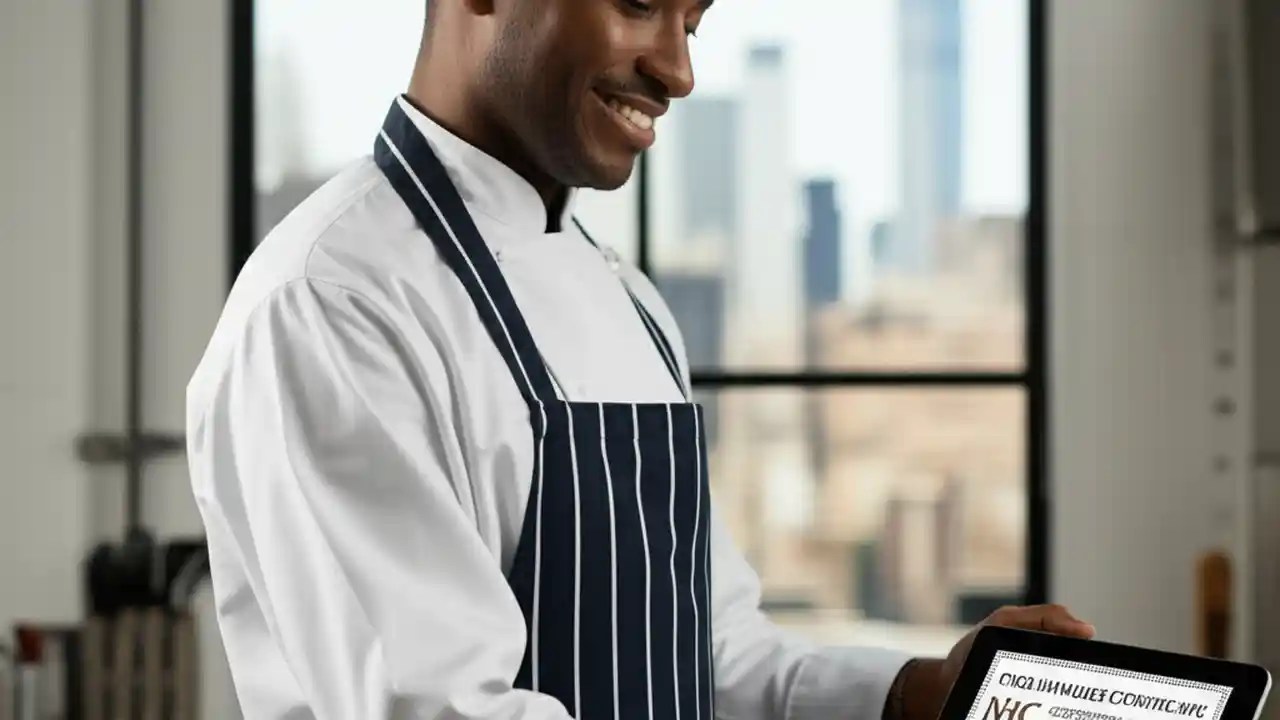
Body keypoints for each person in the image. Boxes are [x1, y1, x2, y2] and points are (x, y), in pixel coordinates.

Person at [186, 0, 1095, 717]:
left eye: (692, 23)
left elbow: (706, 657)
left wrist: (913, 695)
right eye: (637, 4)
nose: (679, 69)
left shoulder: (630, 302)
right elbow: (445, 712)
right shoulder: (334, 301)